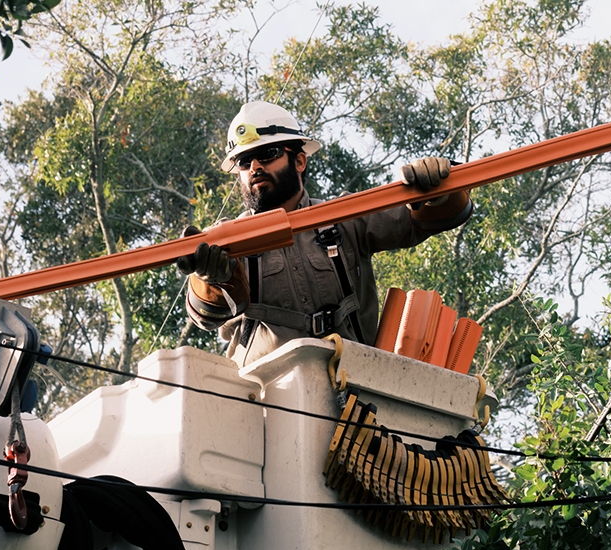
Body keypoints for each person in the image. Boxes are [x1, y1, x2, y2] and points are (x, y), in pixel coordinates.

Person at [176, 101, 472, 364]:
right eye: (244, 161)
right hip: (264, 395)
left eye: (267, 154)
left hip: (351, 389)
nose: (254, 166)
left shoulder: (342, 218)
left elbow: (424, 219)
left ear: (300, 161)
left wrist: (437, 192)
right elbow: (206, 317)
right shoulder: (228, 241)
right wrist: (211, 279)